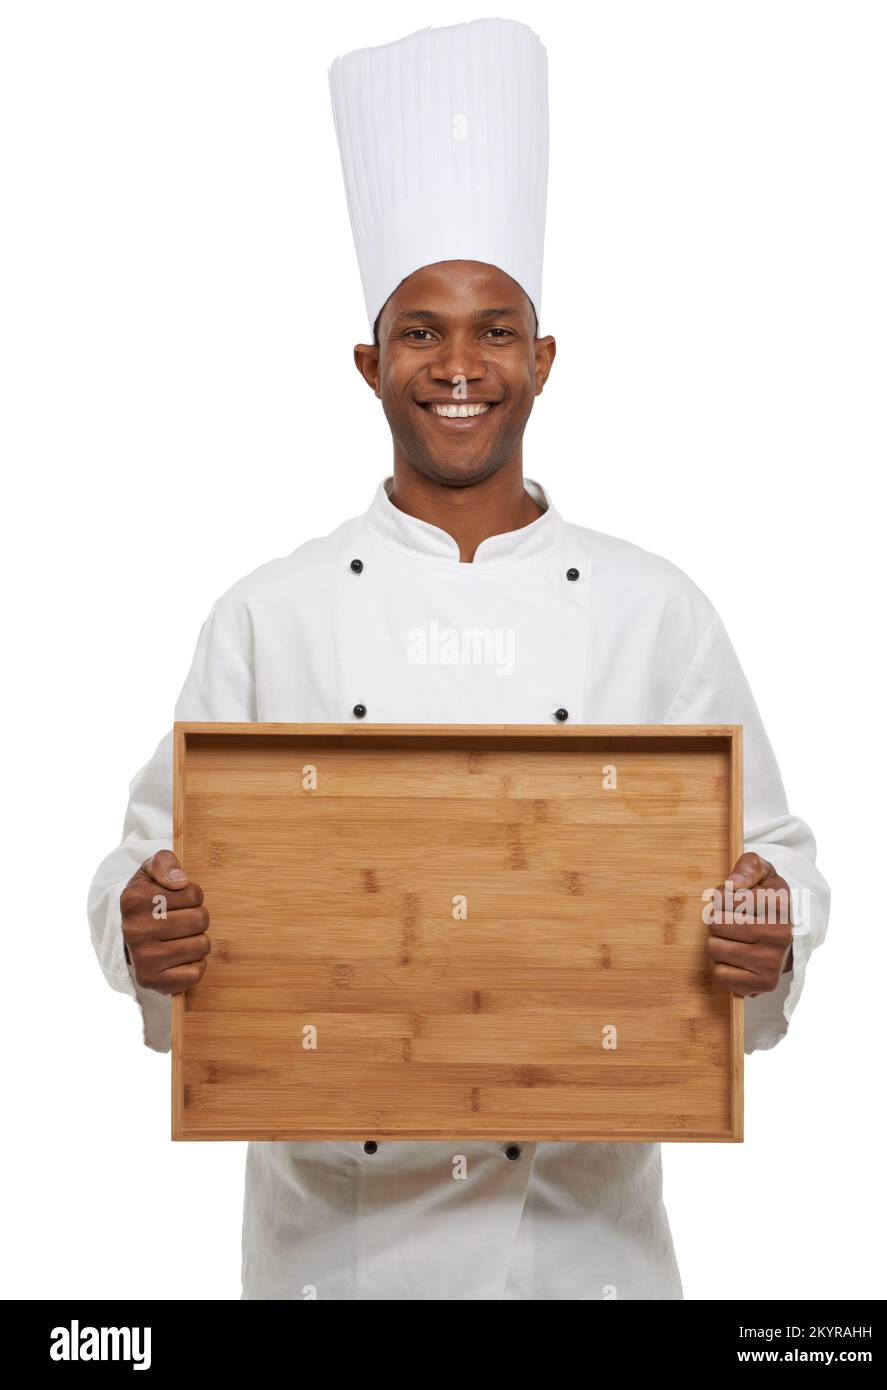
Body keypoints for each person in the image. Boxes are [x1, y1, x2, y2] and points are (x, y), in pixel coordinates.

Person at [88, 18, 830, 1300]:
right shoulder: (274, 612)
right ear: (370, 364)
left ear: (542, 361)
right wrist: (138, 924)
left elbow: (778, 868)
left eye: (495, 331)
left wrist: (769, 931)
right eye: (421, 332)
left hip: (585, 1252)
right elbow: (148, 863)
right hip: (336, 1254)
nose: (459, 366)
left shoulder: (655, 610)